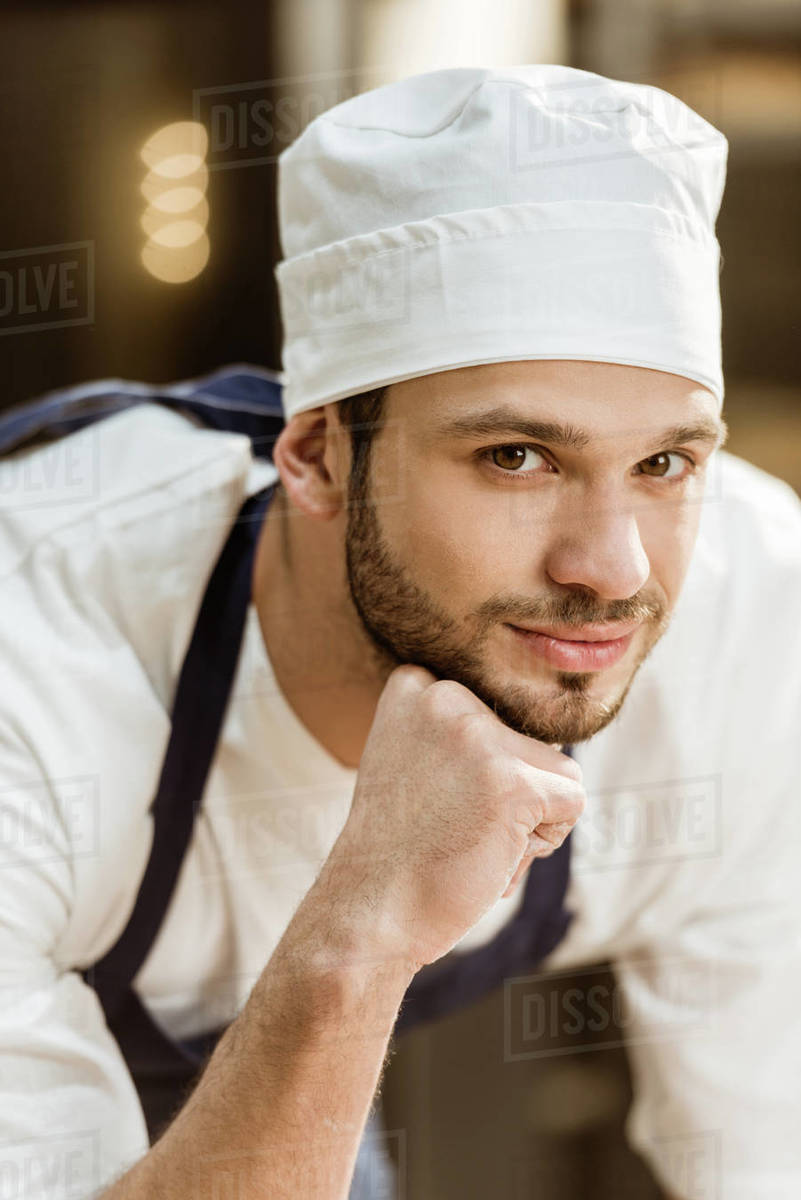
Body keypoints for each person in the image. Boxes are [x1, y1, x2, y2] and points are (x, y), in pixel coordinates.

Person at [0, 64, 799, 1200]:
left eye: (664, 462)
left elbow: (766, 1152)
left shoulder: (758, 622)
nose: (611, 570)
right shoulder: (34, 665)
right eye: (516, 458)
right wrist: (361, 931)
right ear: (318, 455)